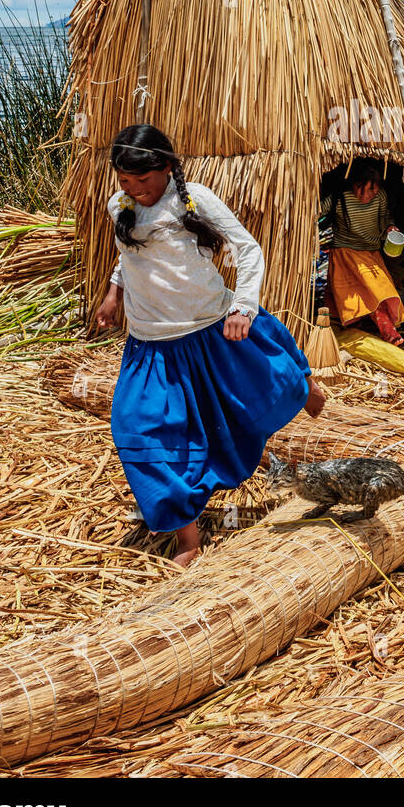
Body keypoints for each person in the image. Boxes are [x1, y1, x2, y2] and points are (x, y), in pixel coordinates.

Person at [96, 123, 325, 568]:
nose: (135, 190)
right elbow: (131, 256)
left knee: (265, 385)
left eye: (143, 180)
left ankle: (303, 386)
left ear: (166, 167)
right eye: (125, 181)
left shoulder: (193, 199)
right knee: (135, 429)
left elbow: (247, 249)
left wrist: (243, 307)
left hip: (209, 329)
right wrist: (113, 291)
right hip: (151, 345)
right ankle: (188, 538)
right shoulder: (118, 205)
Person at [319, 159, 404, 347]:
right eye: (360, 187)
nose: (365, 194)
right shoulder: (339, 197)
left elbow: (384, 220)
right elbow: (314, 212)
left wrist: (390, 228)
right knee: (364, 294)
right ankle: (387, 331)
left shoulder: (381, 198)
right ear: (351, 182)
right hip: (345, 252)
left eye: (372, 190)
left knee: (380, 291)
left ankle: (368, 325)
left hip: (371, 252)